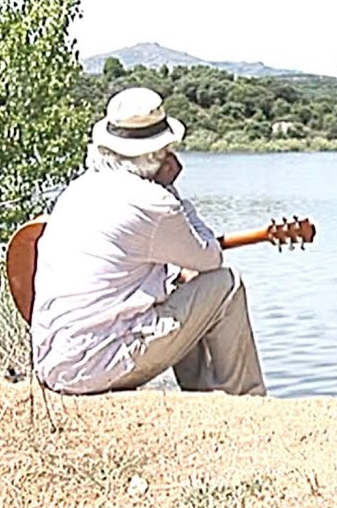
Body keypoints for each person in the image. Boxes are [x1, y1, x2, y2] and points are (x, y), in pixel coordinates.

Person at [29, 87, 267, 397]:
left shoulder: (78, 189)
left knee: (186, 285)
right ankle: (248, 400)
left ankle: (203, 395)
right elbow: (210, 257)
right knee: (226, 285)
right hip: (97, 365)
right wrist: (172, 193)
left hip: (54, 362)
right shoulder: (153, 201)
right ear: (158, 153)